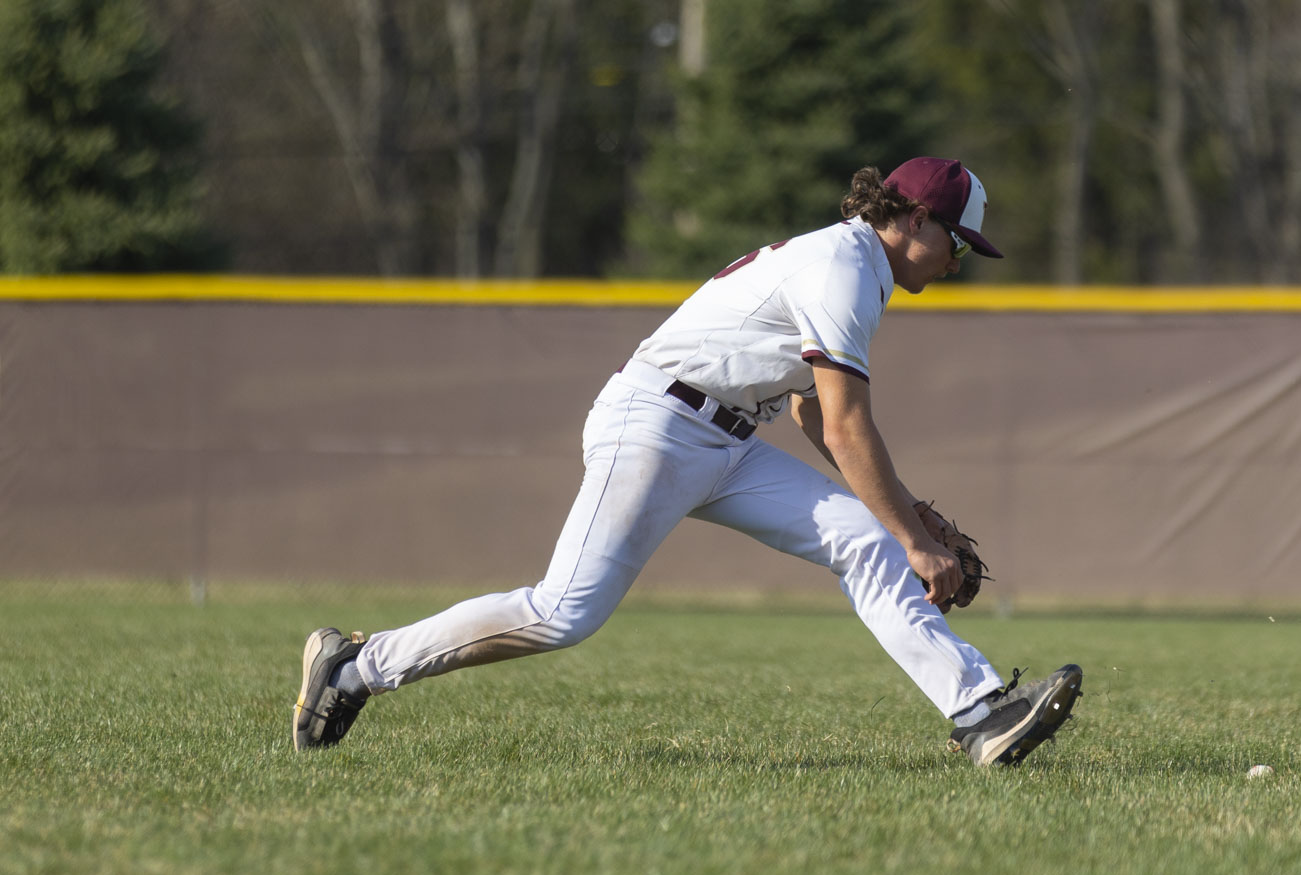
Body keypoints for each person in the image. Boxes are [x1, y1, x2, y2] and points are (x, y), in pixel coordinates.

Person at [293, 157, 1083, 767]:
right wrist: (916, 534)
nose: (957, 262)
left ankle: (979, 712)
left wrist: (902, 521)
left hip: (726, 441)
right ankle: (358, 668)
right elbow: (845, 427)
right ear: (913, 217)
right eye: (957, 243)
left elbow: (810, 409)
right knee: (562, 613)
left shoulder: (857, 267)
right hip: (656, 424)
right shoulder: (844, 269)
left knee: (864, 542)